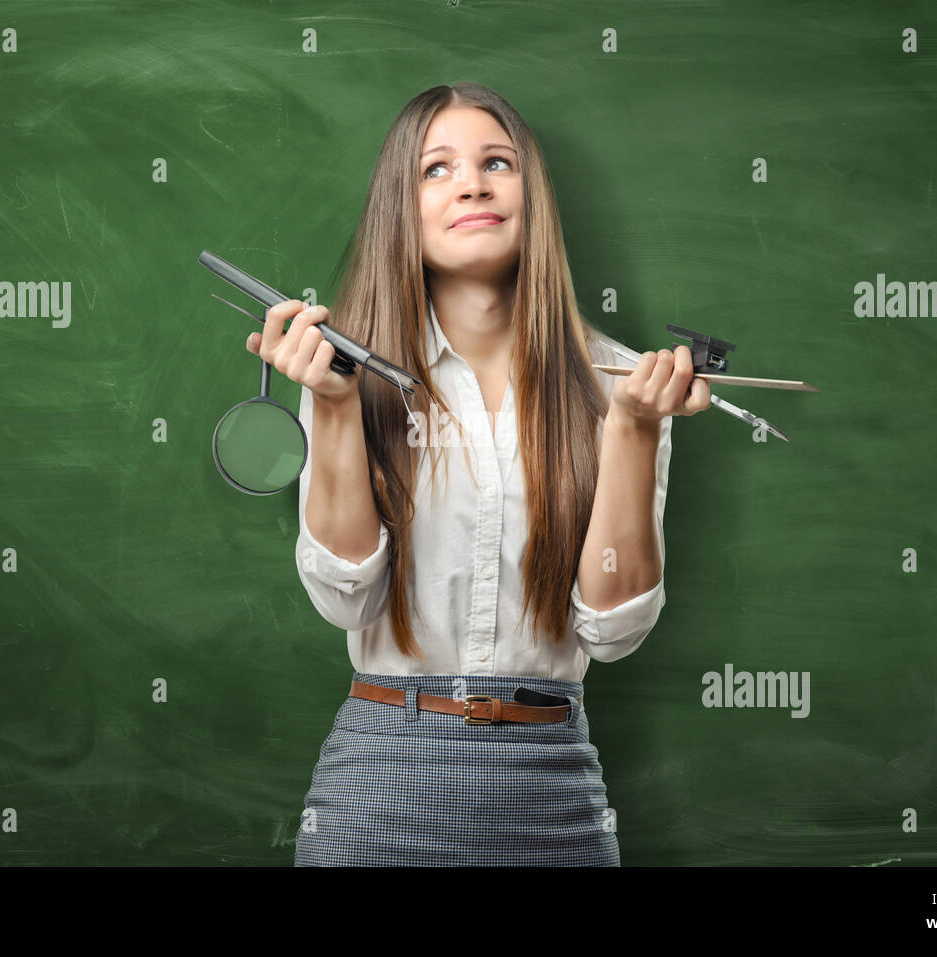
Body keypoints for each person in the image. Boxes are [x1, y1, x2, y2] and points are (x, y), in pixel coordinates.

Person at [246, 82, 710, 866]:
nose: (472, 183)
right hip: (379, 783)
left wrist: (631, 428)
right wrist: (332, 407)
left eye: (498, 162)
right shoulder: (340, 375)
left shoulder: (624, 383)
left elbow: (613, 628)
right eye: (437, 169)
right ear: (403, 205)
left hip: (554, 788)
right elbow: (343, 595)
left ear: (533, 197)